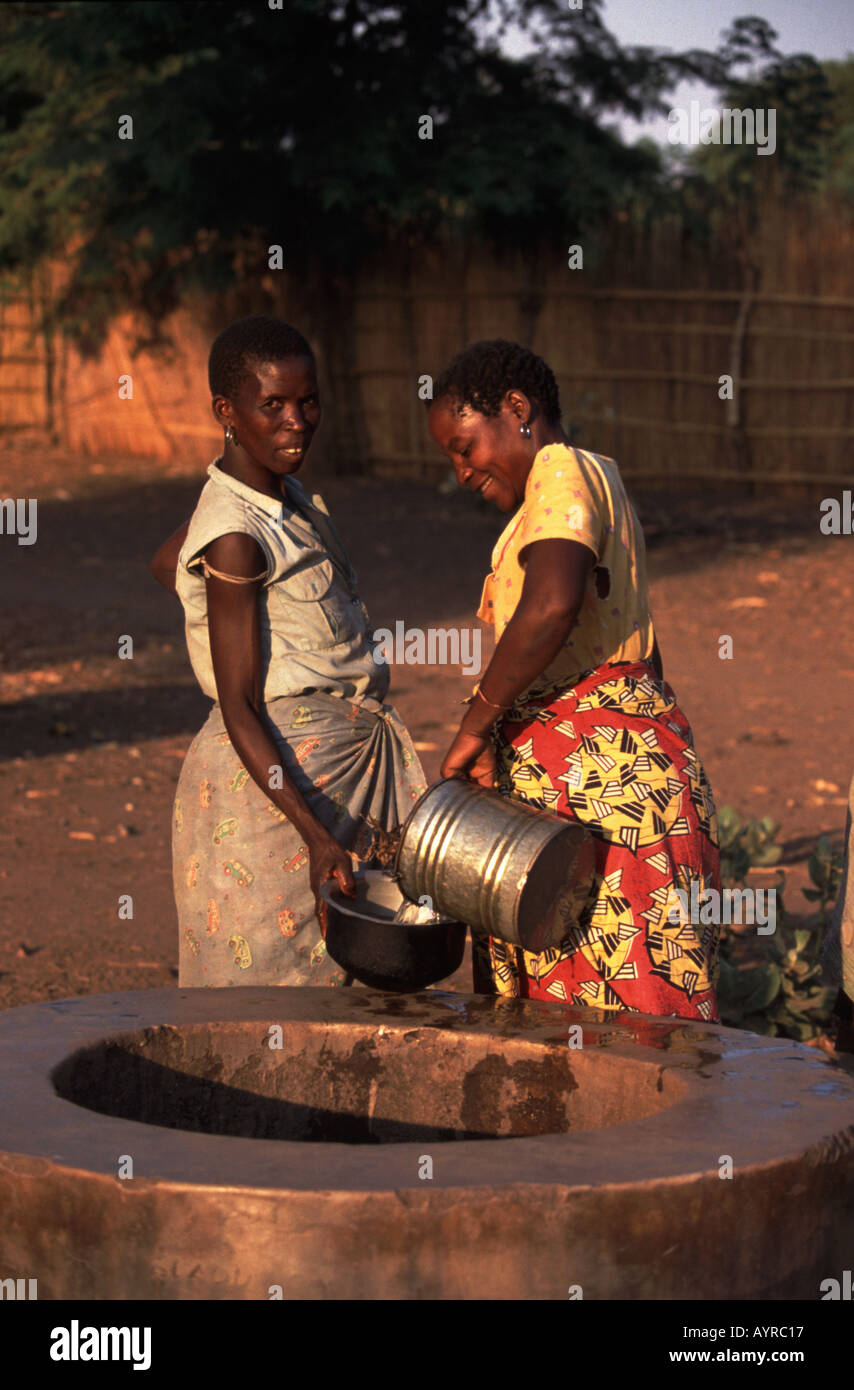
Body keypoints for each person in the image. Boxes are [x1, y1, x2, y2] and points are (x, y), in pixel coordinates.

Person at [427, 339, 720, 1020]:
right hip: (598, 790)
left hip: (608, 799)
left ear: (518, 409)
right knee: (591, 1018)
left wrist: (475, 728)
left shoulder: (561, 473)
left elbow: (552, 604)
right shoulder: (575, 491)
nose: (461, 471)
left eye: (464, 447)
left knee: (629, 1023)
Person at [151, 316, 426, 986]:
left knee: (349, 991)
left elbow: (167, 561)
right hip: (272, 797)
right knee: (263, 1004)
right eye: (270, 405)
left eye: (308, 401)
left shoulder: (286, 500)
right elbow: (240, 704)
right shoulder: (237, 536)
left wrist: (209, 573)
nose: (296, 421)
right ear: (227, 411)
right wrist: (315, 834)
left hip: (331, 781)